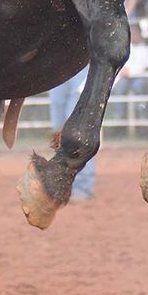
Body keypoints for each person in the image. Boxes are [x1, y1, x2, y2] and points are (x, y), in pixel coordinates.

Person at [48, 67, 95, 202]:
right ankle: (60, 184)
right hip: (58, 63)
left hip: (83, 62)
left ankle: (82, 186)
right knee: (58, 130)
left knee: (78, 130)